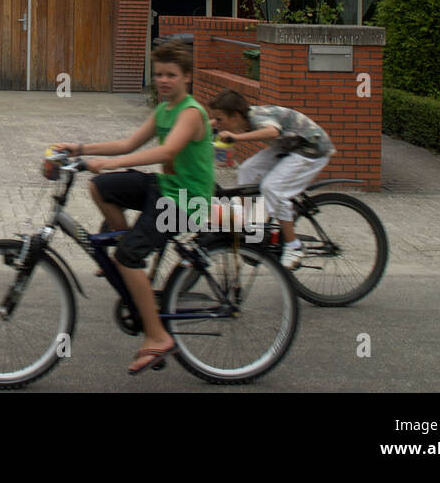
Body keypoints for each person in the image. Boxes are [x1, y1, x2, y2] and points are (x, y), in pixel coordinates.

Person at [54, 41, 213, 376]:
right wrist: (79, 149)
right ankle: (128, 261)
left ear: (187, 78)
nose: (164, 80)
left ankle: (156, 336)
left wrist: (113, 163)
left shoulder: (190, 112)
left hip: (188, 200)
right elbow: (128, 143)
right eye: (159, 75)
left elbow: (167, 152)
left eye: (171, 75)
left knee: (126, 255)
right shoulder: (164, 110)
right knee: (100, 187)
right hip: (166, 189)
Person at [208, 89, 335, 269]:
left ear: (235, 116)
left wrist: (236, 137)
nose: (217, 123)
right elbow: (212, 123)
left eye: (220, 119)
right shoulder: (242, 117)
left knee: (272, 188)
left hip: (311, 149)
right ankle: (245, 223)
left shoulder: (257, 118)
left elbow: (273, 132)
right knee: (247, 169)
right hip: (289, 146)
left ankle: (294, 246)